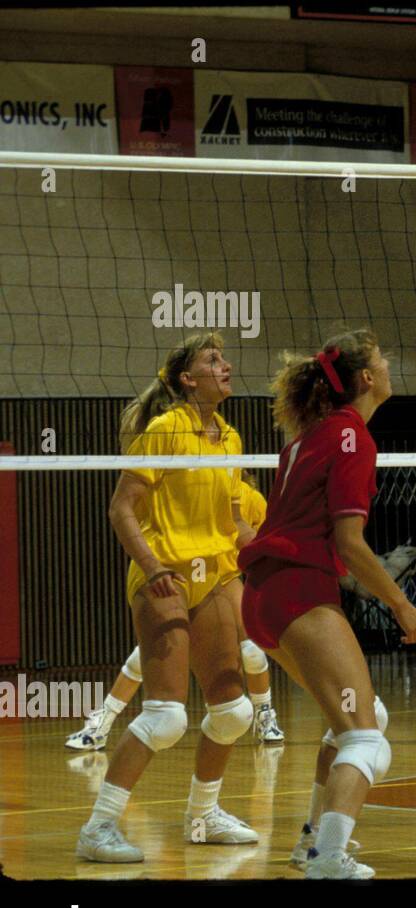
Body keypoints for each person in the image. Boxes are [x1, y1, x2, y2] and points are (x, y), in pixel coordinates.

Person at [239, 330, 416, 879]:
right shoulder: (352, 438)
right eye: (383, 359)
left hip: (264, 597)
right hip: (298, 592)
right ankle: (327, 860)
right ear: (366, 378)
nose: (390, 365)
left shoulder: (309, 435)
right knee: (368, 743)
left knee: (357, 720)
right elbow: (350, 544)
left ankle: (310, 843)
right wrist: (401, 604)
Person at [77, 334, 260, 864]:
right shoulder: (165, 430)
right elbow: (121, 509)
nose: (226, 366)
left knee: (233, 712)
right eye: (213, 361)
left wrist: (286, 551)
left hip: (217, 575)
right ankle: (99, 827)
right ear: (187, 379)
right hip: (166, 575)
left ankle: (203, 817)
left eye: (223, 359)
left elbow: (235, 521)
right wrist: (153, 565)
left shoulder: (228, 438)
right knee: (166, 717)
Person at [66, 471, 286, 750]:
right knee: (147, 655)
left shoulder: (249, 497)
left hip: (224, 575)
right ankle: (101, 723)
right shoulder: (185, 481)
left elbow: (255, 535)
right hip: (183, 571)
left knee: (252, 652)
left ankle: (265, 714)